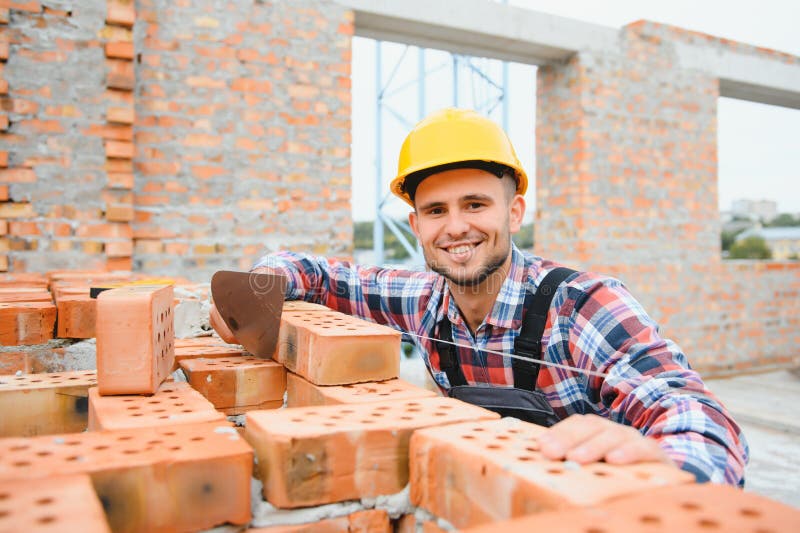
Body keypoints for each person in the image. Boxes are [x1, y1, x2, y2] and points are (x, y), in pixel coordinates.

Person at [211, 108, 747, 485]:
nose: (456, 227)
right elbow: (320, 275)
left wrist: (671, 471)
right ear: (416, 224)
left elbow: (696, 414)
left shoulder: (583, 305)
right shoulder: (423, 301)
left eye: (476, 204)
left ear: (514, 213)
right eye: (437, 211)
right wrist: (259, 290)